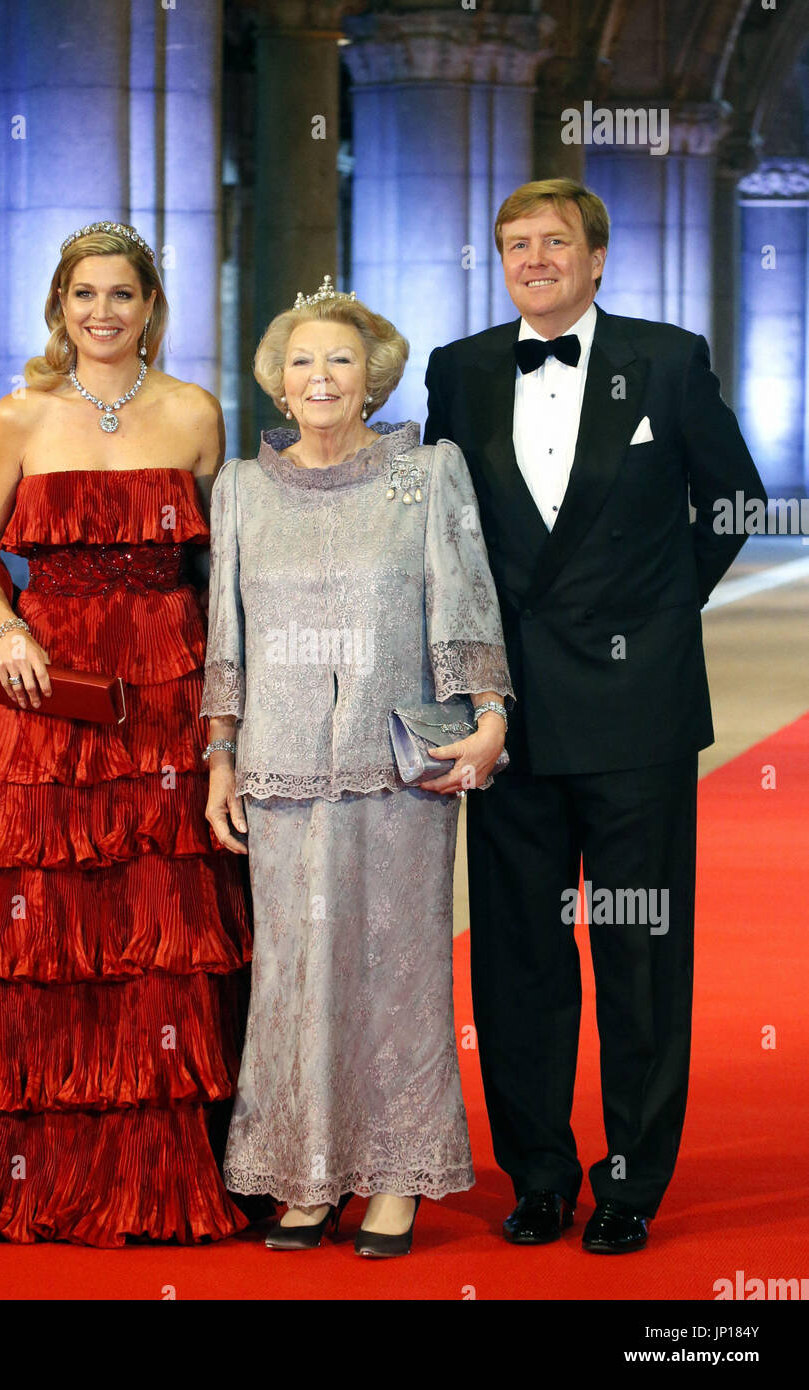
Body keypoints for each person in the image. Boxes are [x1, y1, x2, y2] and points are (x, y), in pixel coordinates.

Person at [0, 221, 254, 1245]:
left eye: (123, 295)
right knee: (41, 927)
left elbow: (235, 572)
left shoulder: (196, 414)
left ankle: (165, 1171)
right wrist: (8, 623)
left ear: (152, 306)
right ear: (58, 306)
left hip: (167, 684)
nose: (104, 313)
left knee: (159, 927)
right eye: (85, 295)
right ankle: (33, 1171)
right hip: (50, 694)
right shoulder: (21, 415)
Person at [424, 178, 767, 1253]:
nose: (534, 259)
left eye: (555, 242)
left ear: (597, 256)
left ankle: (629, 1181)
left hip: (638, 711)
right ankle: (538, 1173)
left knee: (637, 952)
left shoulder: (668, 358)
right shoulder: (462, 368)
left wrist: (660, 608)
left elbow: (731, 500)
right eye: (515, 243)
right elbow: (445, 528)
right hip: (507, 709)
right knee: (519, 955)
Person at [201, 276, 513, 1257]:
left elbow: (462, 598)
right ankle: (303, 1172)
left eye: (341, 358)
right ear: (279, 384)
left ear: (372, 379)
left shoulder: (428, 472)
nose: (321, 375)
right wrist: (218, 753)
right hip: (281, 767)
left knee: (396, 972)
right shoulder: (243, 487)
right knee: (293, 976)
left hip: (396, 762)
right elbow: (226, 638)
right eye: (302, 360)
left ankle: (391, 1176)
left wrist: (492, 713)